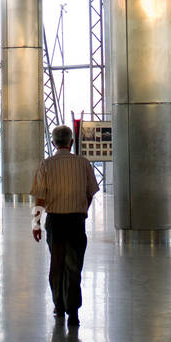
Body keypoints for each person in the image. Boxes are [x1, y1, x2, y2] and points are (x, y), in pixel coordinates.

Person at [30, 124, 99, 327]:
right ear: (71, 142)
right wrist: (82, 210)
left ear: (53, 143)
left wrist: (36, 224)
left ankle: (59, 306)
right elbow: (90, 192)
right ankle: (74, 311)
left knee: (57, 264)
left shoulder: (46, 165)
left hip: (56, 222)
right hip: (76, 222)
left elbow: (40, 199)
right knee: (74, 266)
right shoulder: (83, 163)